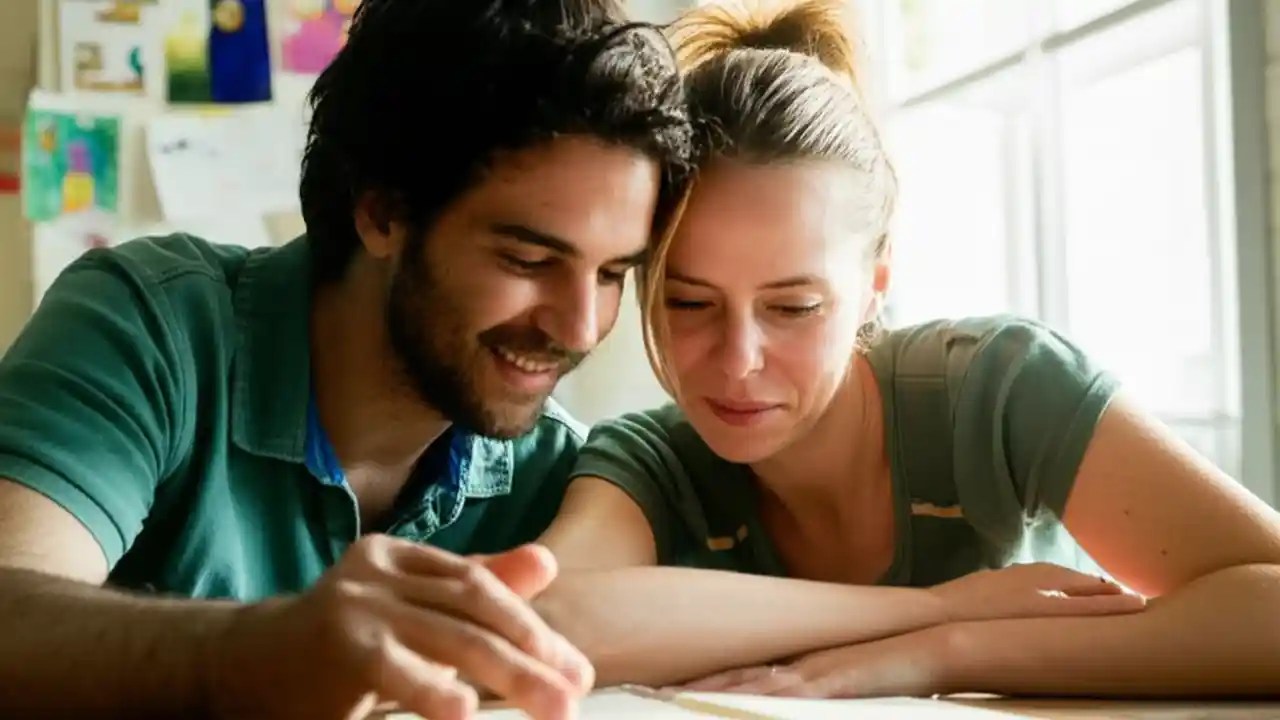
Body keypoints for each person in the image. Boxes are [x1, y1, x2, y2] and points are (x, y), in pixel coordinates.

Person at [533, 0, 1280, 698]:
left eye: (794, 307)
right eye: (690, 302)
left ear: (875, 284)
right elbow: (551, 619)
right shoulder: (653, 461)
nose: (737, 360)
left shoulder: (997, 389)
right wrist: (935, 607)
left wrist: (948, 651)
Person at [0, 0, 692, 717]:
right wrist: (261, 653)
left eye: (612, 274)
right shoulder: (152, 326)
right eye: (527, 259)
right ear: (383, 212)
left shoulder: (560, 474)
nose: (580, 328)